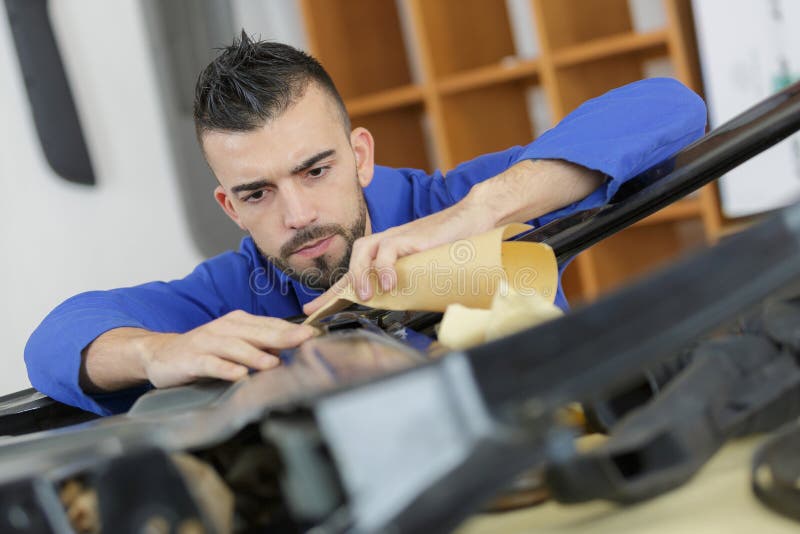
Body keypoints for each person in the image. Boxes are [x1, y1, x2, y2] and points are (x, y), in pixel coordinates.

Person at [24, 34, 707, 415]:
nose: (297, 215)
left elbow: (667, 108)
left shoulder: (467, 197)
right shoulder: (235, 292)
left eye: (316, 171)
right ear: (229, 206)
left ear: (360, 155)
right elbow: (56, 340)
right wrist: (151, 353)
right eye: (257, 192)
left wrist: (475, 216)